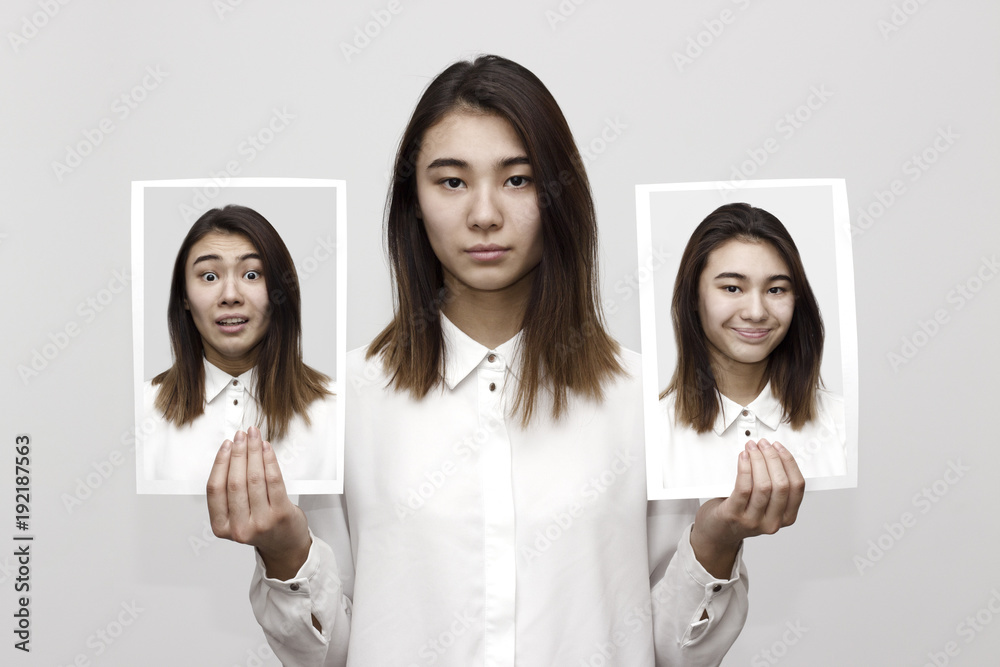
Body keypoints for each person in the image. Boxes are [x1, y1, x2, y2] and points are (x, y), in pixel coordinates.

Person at [207, 56, 804, 666]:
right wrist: (285, 554)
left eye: (517, 179)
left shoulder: (649, 400)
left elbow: (673, 654)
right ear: (413, 201)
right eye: (452, 181)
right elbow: (329, 656)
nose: (485, 213)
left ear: (558, 198)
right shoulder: (340, 404)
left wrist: (717, 542)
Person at [139, 205, 335, 492]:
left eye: (252, 275)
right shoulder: (141, 410)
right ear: (183, 297)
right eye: (209, 276)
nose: (230, 296)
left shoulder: (337, 413)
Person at [660, 202, 847, 493]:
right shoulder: (652, 437)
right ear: (693, 298)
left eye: (775, 290)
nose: (756, 312)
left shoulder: (843, 424)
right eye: (732, 288)